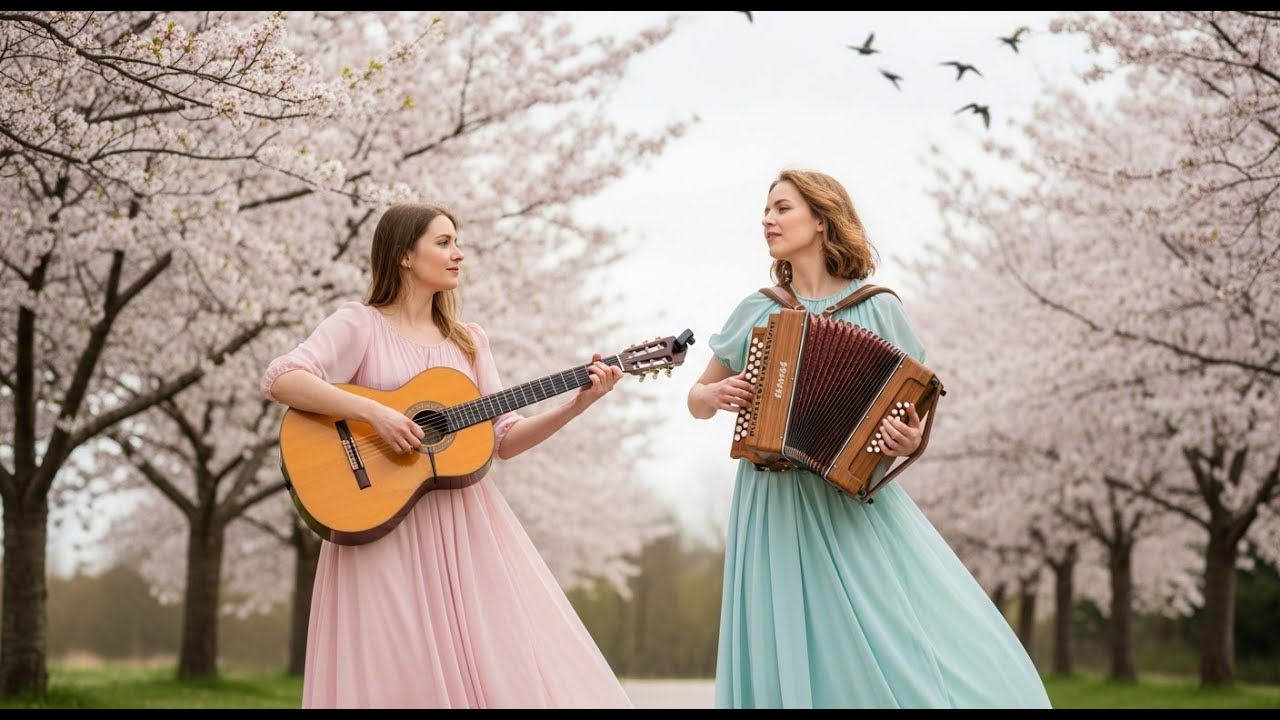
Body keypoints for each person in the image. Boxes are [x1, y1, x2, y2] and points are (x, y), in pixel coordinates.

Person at [687, 169, 1052, 709]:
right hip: (768, 497)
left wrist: (906, 439)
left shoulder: (879, 307)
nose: (768, 219)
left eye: (782, 208)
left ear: (821, 219)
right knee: (779, 625)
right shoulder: (759, 307)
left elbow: (913, 410)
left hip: (846, 500)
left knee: (882, 626)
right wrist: (714, 398)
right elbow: (697, 396)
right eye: (766, 210)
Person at [261, 203, 631, 709]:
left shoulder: (469, 341)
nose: (458, 254)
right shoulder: (359, 324)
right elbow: (282, 377)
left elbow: (505, 439)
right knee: (397, 668)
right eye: (443, 242)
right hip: (380, 522)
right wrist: (375, 414)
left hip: (463, 527)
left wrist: (578, 403)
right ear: (404, 255)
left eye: (456, 242)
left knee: (495, 658)